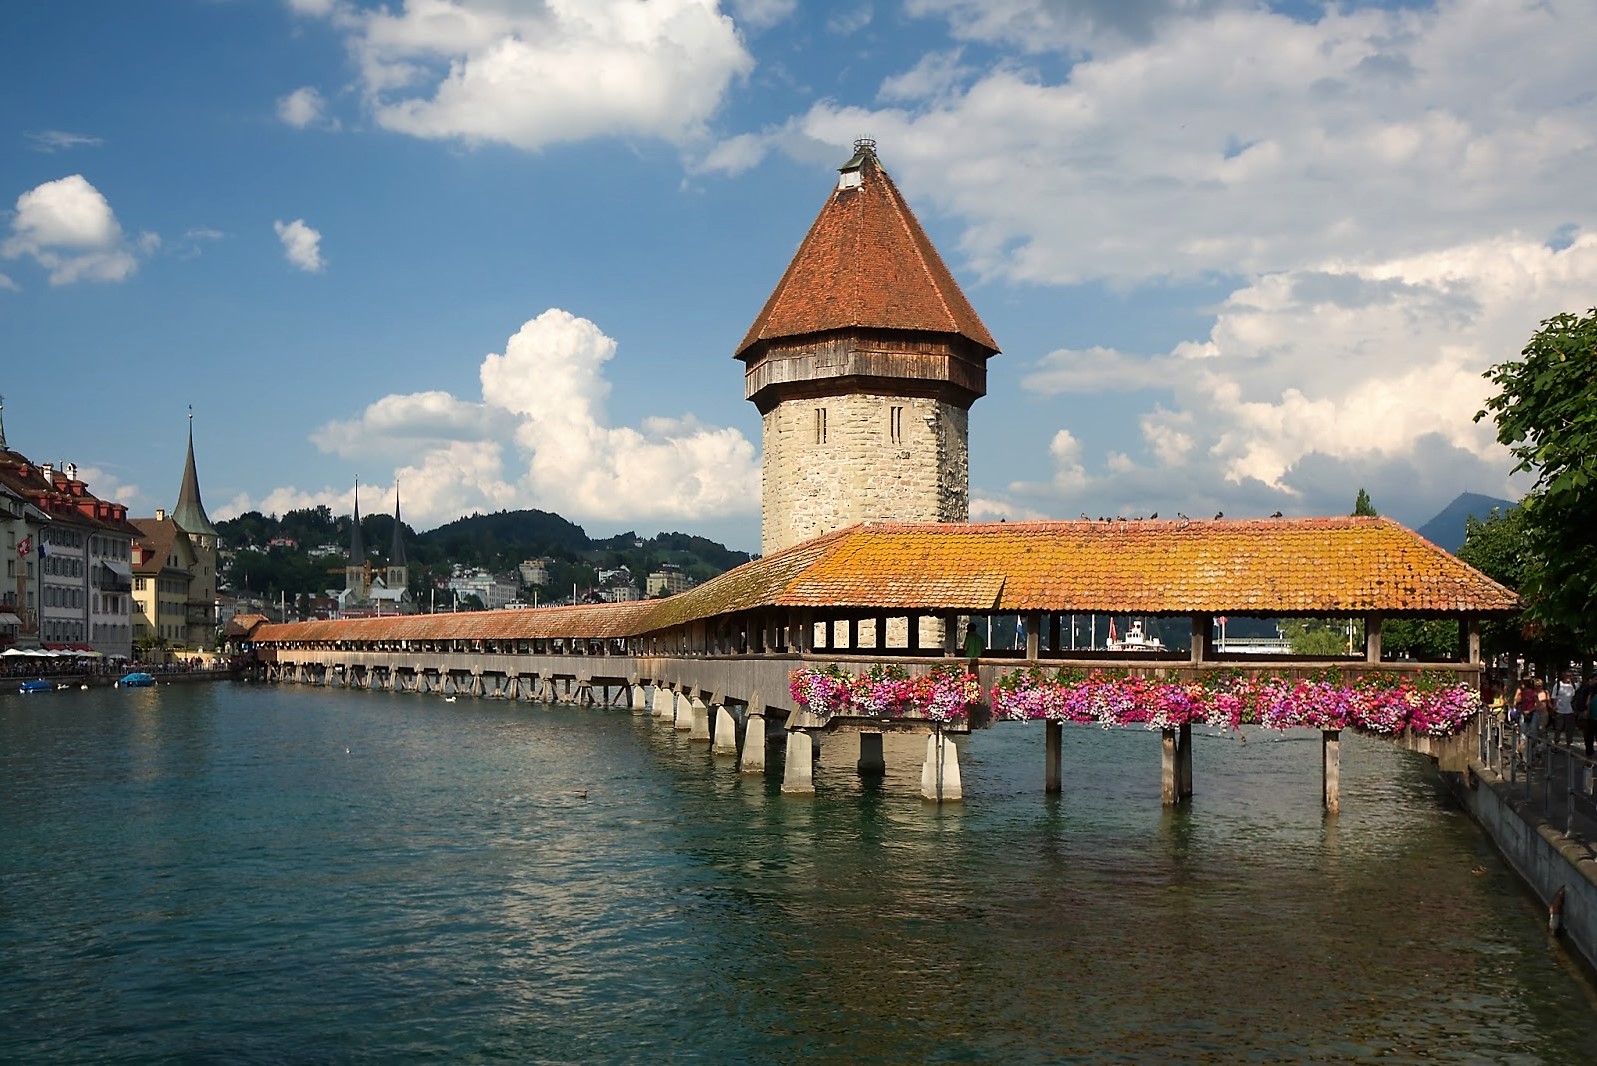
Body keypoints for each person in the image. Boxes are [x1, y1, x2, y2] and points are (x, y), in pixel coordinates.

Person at [1552, 670, 1578, 746]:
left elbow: (1576, 697)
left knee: (1569, 729)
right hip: (1560, 710)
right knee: (1558, 728)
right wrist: (1554, 706)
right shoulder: (1558, 685)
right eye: (1567, 676)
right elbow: (1554, 697)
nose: (1568, 677)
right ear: (1563, 676)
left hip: (1570, 711)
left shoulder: (1574, 686)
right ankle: (1556, 744)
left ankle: (1568, 745)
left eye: (1570, 676)